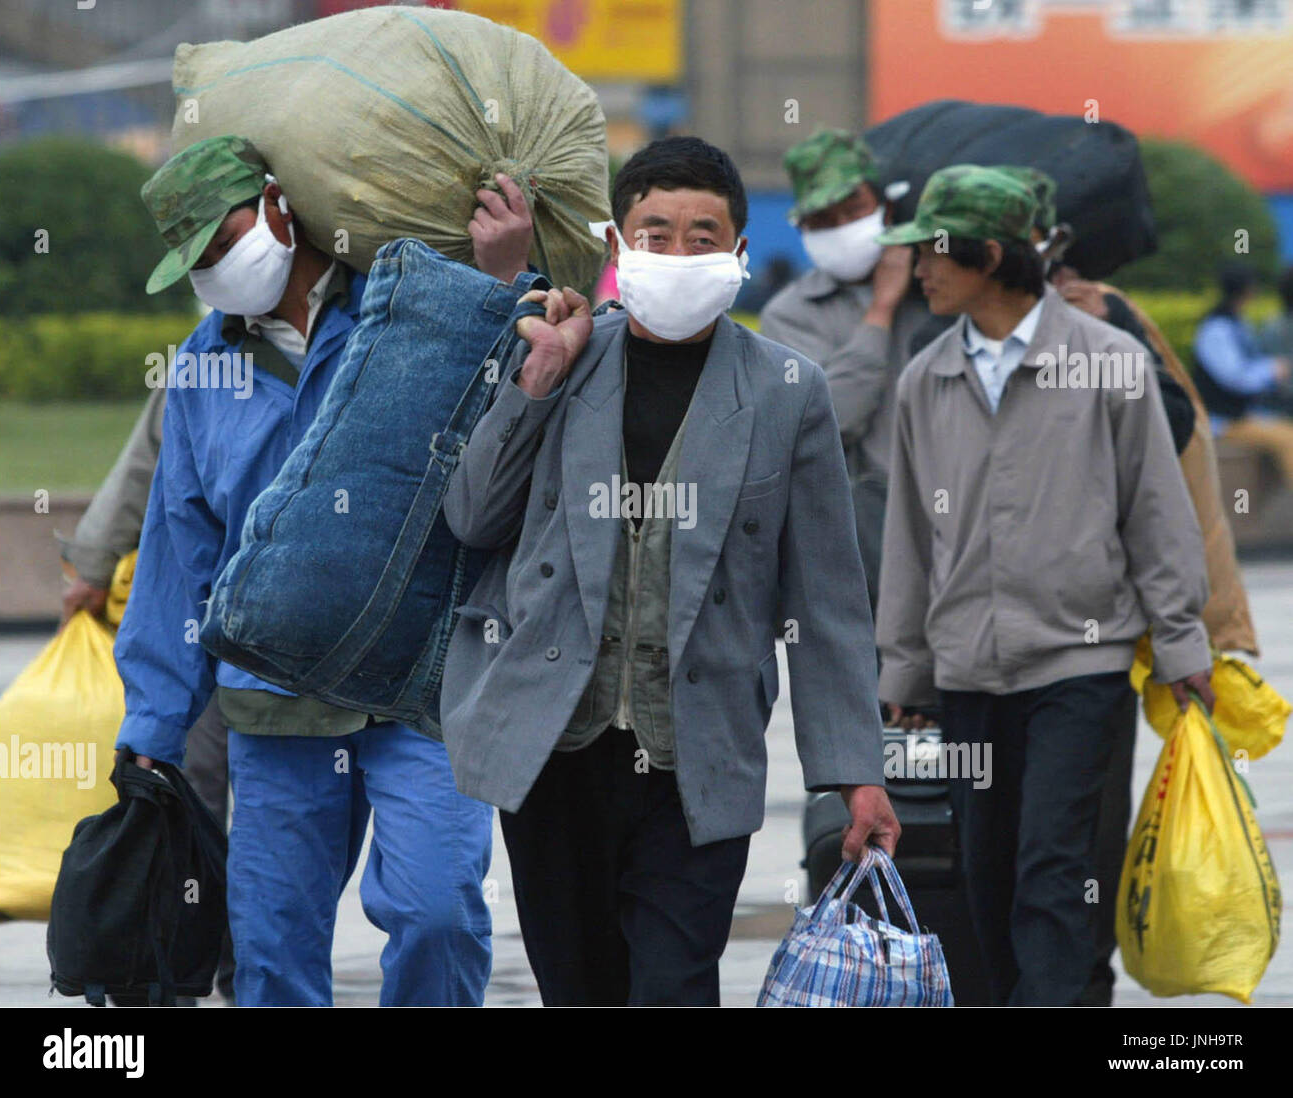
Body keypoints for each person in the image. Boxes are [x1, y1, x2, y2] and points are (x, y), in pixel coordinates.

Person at [439, 135, 899, 1007]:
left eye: (702, 236)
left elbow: (827, 599)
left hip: (699, 751)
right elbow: (473, 517)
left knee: (673, 985)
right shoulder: (563, 357)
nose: (678, 254)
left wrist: (855, 771)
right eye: (655, 234)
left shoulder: (786, 389)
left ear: (738, 254)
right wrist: (533, 384)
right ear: (618, 246)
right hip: (554, 747)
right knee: (578, 988)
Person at [113, 134, 533, 1006]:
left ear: (277, 204)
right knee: (271, 951)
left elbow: (501, 398)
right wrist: (152, 731)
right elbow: (180, 550)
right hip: (273, 698)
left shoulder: (404, 310)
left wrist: (503, 281)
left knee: (437, 914)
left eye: (227, 243)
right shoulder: (205, 366)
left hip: (419, 683)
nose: (219, 270)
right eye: (197, 261)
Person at [874, 165, 1213, 1007]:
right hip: (967, 678)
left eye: (933, 252)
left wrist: (1181, 644)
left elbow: (1155, 515)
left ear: (989, 255)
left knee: (1053, 868)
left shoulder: (1109, 361)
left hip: (1079, 666)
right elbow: (911, 538)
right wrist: (906, 672)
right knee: (985, 873)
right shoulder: (927, 379)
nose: (918, 269)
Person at [59, 386, 237, 1005]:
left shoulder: (205, 362)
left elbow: (143, 472)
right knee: (202, 806)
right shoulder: (203, 361)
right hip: (227, 632)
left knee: (197, 805)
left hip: (218, 625)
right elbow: (152, 475)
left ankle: (187, 975)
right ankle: (208, 974)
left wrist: (91, 567)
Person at [760, 129, 928, 612]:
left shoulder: (940, 291)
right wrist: (881, 310)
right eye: (823, 219)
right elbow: (832, 419)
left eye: (853, 210)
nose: (841, 227)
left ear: (886, 208)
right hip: (863, 547)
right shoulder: (790, 314)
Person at [1193, 263, 1293, 485]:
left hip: (1245, 413)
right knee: (1289, 439)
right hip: (1224, 420)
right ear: (1249, 290)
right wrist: (1272, 369)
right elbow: (1236, 378)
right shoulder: (1217, 329)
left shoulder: (1237, 323)